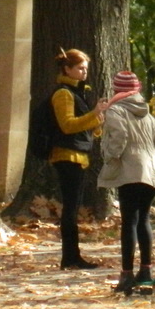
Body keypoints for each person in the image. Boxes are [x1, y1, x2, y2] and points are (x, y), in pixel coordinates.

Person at [98, 70, 155, 294]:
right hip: (151, 172)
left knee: (129, 220)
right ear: (137, 90)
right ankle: (146, 271)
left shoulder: (115, 110)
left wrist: (110, 156)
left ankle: (127, 274)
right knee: (144, 219)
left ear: (117, 90)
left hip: (129, 170)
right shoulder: (147, 115)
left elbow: (119, 137)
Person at [49, 48, 110, 270]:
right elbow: (67, 125)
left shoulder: (77, 92)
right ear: (67, 69)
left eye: (86, 68)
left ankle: (72, 256)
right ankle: (70, 257)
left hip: (78, 156)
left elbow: (83, 128)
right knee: (71, 208)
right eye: (80, 68)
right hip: (67, 156)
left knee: (73, 208)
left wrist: (96, 122)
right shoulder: (63, 94)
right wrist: (93, 115)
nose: (84, 72)